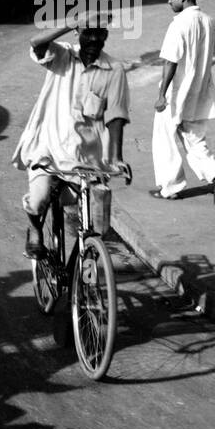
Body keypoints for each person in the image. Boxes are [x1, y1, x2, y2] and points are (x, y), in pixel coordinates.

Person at [13, 17, 131, 258]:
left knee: (95, 219)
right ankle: (35, 230)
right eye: (88, 33)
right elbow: (35, 42)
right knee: (38, 201)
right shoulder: (63, 56)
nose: (94, 40)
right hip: (48, 150)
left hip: (88, 157)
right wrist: (71, 22)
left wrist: (117, 157)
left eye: (100, 34)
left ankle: (85, 264)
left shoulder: (114, 69)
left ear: (106, 36)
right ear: (77, 33)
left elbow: (116, 114)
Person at [151, 0, 215, 204]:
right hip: (200, 92)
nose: (169, 2)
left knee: (164, 139)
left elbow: (170, 62)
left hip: (176, 93)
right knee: (195, 139)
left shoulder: (179, 24)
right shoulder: (209, 21)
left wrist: (161, 95)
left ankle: (169, 187)